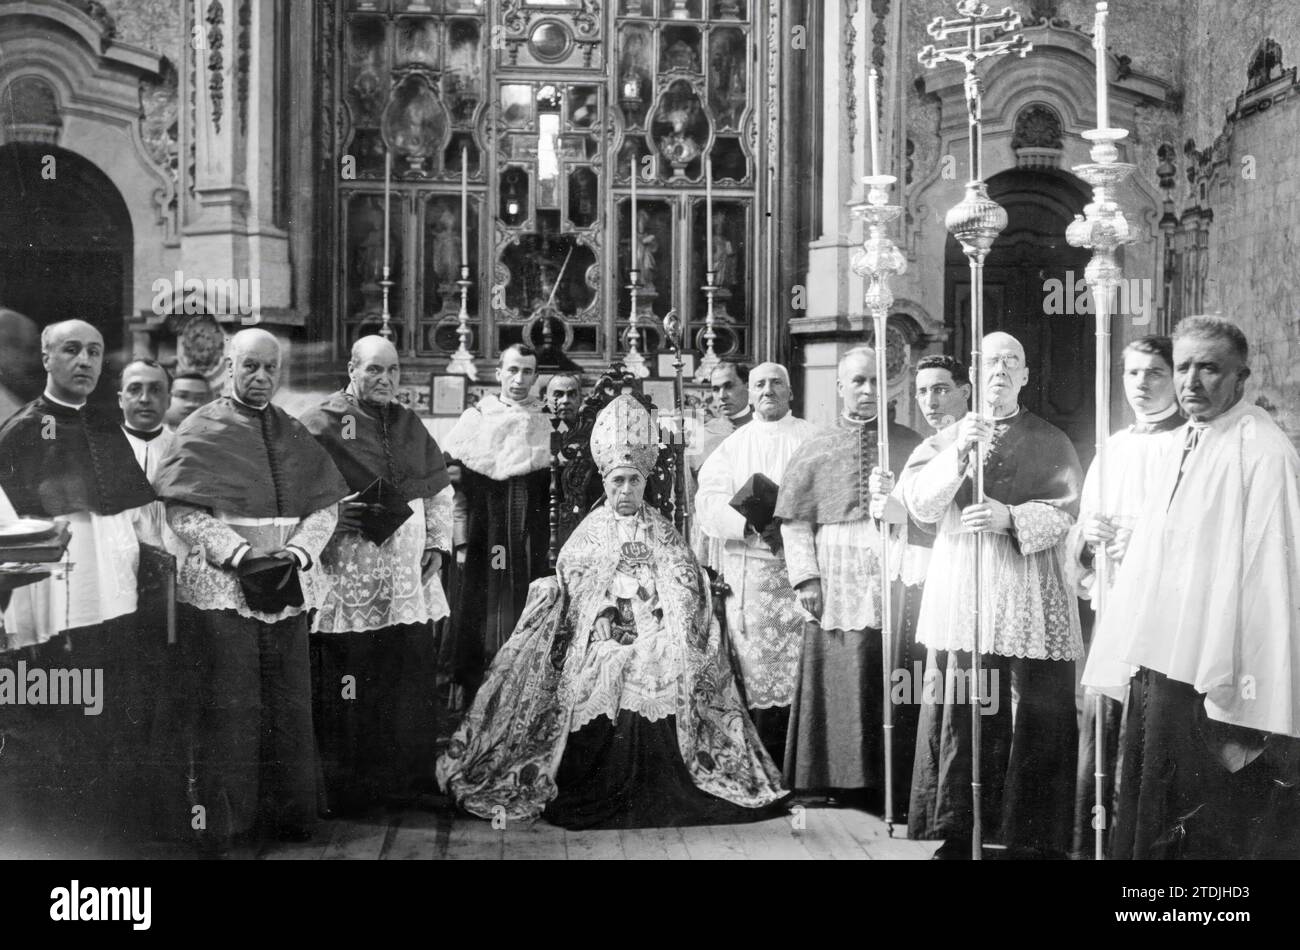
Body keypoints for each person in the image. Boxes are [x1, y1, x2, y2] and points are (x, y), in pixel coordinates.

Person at [437, 395, 785, 827]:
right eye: (617, 481)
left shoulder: (662, 528)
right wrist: (601, 612)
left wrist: (661, 616)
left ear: (646, 483)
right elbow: (575, 579)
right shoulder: (590, 531)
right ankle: (601, 781)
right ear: (604, 481)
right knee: (605, 664)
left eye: (633, 482)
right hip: (599, 633)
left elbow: (683, 578)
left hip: (656, 628)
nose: (625, 491)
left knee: (670, 661)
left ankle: (664, 781)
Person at [1083, 316, 1300, 859]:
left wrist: (1243, 673)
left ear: (1241, 377)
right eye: (1183, 367)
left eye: (1210, 368)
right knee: (1153, 791)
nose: (1192, 382)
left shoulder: (1263, 451)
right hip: (1161, 654)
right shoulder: (1184, 441)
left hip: (1217, 661)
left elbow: (1271, 568)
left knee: (1205, 805)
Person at [153, 328, 349, 855]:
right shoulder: (201, 426)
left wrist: (297, 554)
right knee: (231, 703)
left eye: (270, 369)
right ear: (229, 367)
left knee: (289, 701)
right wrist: (240, 556)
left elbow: (325, 505)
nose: (261, 379)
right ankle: (230, 821)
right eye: (250, 368)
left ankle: (288, 816)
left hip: (285, 579)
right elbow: (183, 509)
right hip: (226, 584)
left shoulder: (292, 429)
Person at [901, 332, 1084, 859]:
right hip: (965, 583)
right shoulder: (946, 437)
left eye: (1013, 361)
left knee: (1039, 708)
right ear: (974, 377)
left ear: (1026, 375)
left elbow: (1068, 513)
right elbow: (920, 505)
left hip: (1028, 586)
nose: (1001, 369)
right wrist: (959, 449)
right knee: (966, 705)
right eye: (992, 361)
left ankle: (1033, 837)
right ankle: (961, 832)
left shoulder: (1051, 439)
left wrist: (1011, 517)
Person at [0, 320, 155, 830]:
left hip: (116, 597)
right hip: (56, 608)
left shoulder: (107, 427)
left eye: (94, 351)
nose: (84, 361)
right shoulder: (21, 430)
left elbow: (132, 514)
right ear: (46, 358)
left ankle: (110, 822)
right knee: (61, 722)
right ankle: (61, 830)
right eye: (71, 350)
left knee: (110, 716)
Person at [300, 336, 453, 813]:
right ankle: (349, 788)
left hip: (407, 574)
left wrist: (437, 544)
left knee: (406, 673)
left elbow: (436, 491)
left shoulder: (408, 422)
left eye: (392, 371)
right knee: (353, 673)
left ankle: (407, 782)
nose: (384, 380)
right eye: (373, 370)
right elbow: (297, 492)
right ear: (351, 368)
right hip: (351, 570)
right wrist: (333, 513)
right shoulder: (320, 421)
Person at [775, 347, 923, 811]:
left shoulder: (911, 444)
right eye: (857, 381)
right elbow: (795, 521)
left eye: (876, 381)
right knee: (843, 667)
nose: (867, 390)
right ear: (839, 386)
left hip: (896, 567)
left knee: (894, 665)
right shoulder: (816, 446)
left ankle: (890, 781)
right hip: (836, 574)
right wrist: (806, 580)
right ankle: (837, 778)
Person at [1064, 335, 1183, 858]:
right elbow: (1081, 532)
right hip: (1114, 602)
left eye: (1155, 372)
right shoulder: (1114, 446)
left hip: (1166, 609)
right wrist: (1090, 539)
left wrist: (1138, 540)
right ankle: (1101, 836)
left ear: (1175, 377)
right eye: (1133, 373)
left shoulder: (1190, 445)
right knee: (1105, 715)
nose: (1142, 383)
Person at [695, 361, 818, 763]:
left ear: (791, 391)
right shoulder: (733, 445)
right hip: (750, 573)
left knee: (803, 666)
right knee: (756, 666)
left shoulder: (813, 438)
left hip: (802, 571)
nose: (768, 390)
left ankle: (798, 765)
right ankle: (760, 760)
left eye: (776, 383)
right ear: (749, 394)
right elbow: (707, 501)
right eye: (759, 384)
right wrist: (749, 523)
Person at [442, 344, 553, 700]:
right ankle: (474, 689)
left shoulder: (546, 418)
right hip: (483, 533)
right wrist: (460, 541)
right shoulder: (478, 417)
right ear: (499, 372)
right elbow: (454, 491)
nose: (519, 380)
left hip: (529, 537)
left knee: (527, 598)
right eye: (513, 370)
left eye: (527, 372)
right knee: (481, 601)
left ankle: (524, 688)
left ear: (536, 377)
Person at [118, 359, 177, 546]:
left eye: (155, 390)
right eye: (134, 389)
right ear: (120, 399)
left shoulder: (182, 449)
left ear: (168, 400)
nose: (144, 399)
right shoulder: (100, 449)